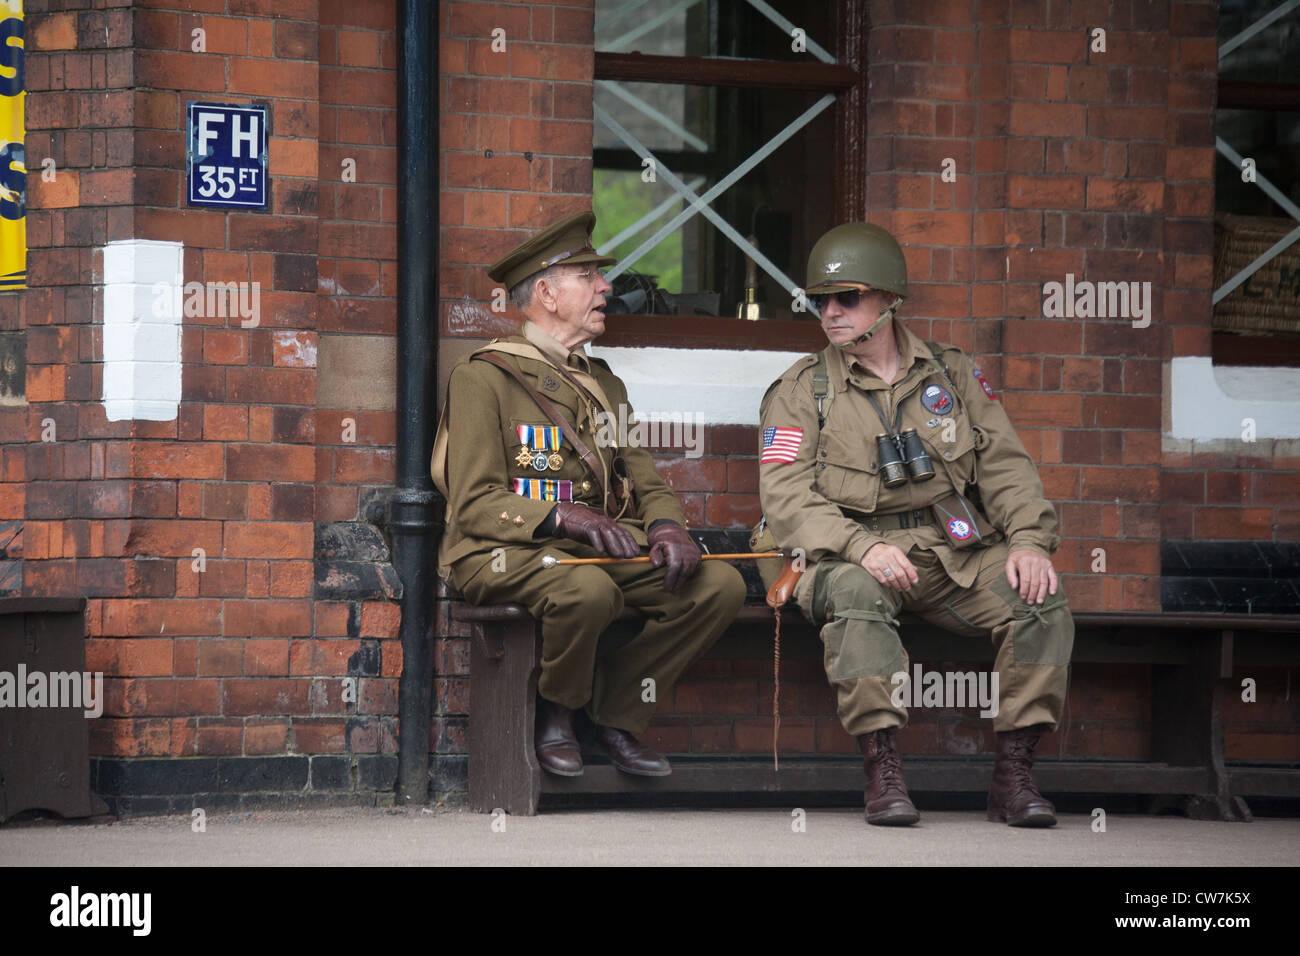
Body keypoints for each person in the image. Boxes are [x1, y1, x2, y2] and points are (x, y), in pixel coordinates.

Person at [758, 222, 1074, 827]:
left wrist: (1030, 541)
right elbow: (785, 496)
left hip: (949, 552)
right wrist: (860, 545)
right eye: (818, 300)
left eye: (845, 297)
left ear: (888, 300)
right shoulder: (803, 390)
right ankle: (882, 772)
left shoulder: (951, 376)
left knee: (1040, 600)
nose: (830, 311)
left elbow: (1005, 465)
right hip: (843, 557)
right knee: (854, 595)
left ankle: (1014, 776)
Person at [434, 211, 746, 779]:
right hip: (499, 550)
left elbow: (645, 477)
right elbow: (474, 501)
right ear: (548, 293)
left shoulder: (605, 383)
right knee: (587, 589)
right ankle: (558, 712)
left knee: (718, 585)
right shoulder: (483, 377)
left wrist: (667, 528)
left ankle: (617, 714)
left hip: (594, 548)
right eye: (589, 276)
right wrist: (563, 517)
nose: (606, 287)